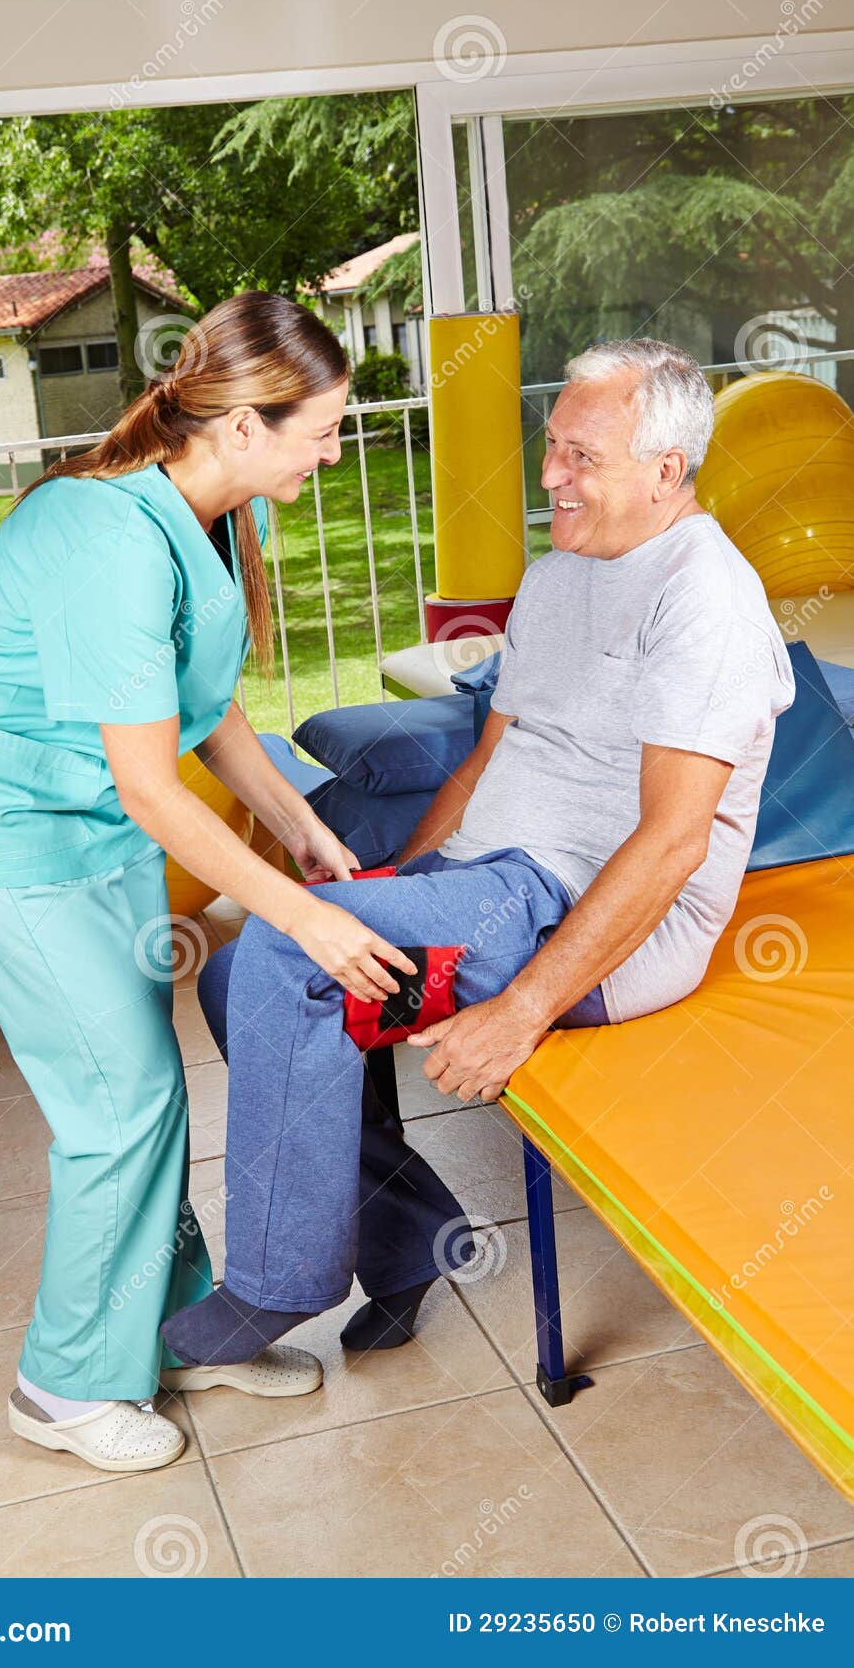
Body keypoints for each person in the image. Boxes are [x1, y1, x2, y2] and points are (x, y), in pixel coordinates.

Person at [161, 336, 796, 1370]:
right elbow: (478, 771)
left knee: (289, 956)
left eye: (579, 457)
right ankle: (408, 1246)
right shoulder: (556, 577)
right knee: (241, 973)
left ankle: (274, 1286)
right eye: (550, 447)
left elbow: (674, 841)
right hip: (486, 881)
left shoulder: (703, 598)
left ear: (663, 471)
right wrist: (395, 885)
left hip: (584, 909)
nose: (549, 477)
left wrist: (521, 1009)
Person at [0, 291, 443, 1473]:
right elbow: (153, 786)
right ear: (244, 425)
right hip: (9, 832)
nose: (333, 447)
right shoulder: (104, 534)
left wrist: (299, 826)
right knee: (122, 1100)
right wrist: (297, 915)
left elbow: (203, 716)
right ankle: (60, 1385)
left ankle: (174, 1325)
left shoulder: (207, 519)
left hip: (89, 830)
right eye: (322, 427)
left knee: (142, 1088)